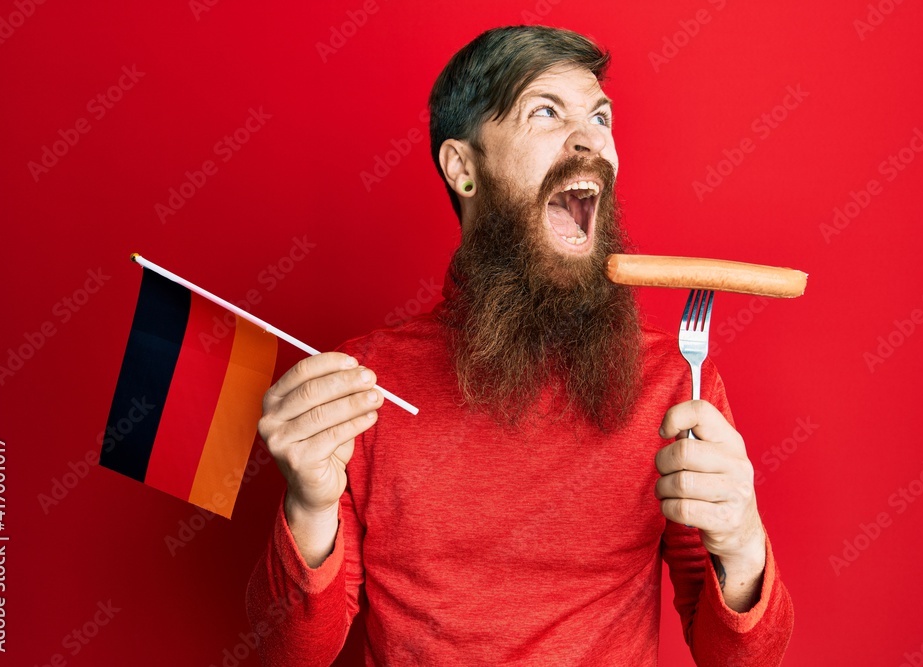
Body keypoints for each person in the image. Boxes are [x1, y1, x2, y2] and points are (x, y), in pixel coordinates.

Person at [247, 25, 794, 666]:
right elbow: (285, 653)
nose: (590, 138)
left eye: (599, 115)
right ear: (463, 168)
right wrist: (308, 506)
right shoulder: (364, 384)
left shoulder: (675, 383)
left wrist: (742, 541)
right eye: (545, 112)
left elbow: (742, 661)